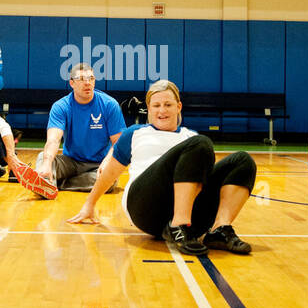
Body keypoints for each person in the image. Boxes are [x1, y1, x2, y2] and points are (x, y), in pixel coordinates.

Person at [67, 79, 255, 255]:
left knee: (242, 161)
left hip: (194, 217)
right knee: (200, 143)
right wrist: (89, 204)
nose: (161, 111)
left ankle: (219, 230)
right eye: (156, 105)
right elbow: (110, 172)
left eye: (168, 105)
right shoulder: (136, 133)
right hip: (145, 208)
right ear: (148, 109)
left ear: (178, 107)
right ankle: (177, 226)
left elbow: (202, 181)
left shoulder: (190, 137)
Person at [32, 63, 125, 195]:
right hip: (71, 162)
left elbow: (119, 142)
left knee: (109, 181)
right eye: (81, 79)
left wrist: (107, 162)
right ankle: (46, 182)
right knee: (43, 157)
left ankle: (53, 184)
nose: (87, 83)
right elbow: (53, 139)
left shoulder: (109, 105)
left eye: (91, 78)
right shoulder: (61, 106)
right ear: (72, 83)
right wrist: (47, 163)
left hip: (98, 163)